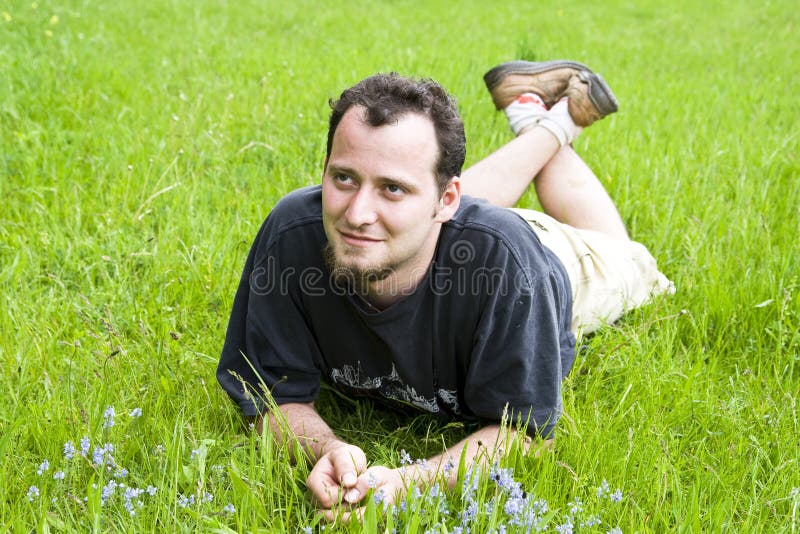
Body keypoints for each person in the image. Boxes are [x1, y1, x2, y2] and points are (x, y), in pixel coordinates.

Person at [217, 59, 673, 517]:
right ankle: (533, 116)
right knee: (411, 196)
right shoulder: (293, 234)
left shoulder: (511, 273)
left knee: (635, 261)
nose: (355, 213)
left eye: (391, 188)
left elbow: (524, 435)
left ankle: (557, 122)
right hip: (432, 231)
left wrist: (406, 483)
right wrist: (326, 450)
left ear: (448, 201)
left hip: (552, 254)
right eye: (344, 177)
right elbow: (273, 398)